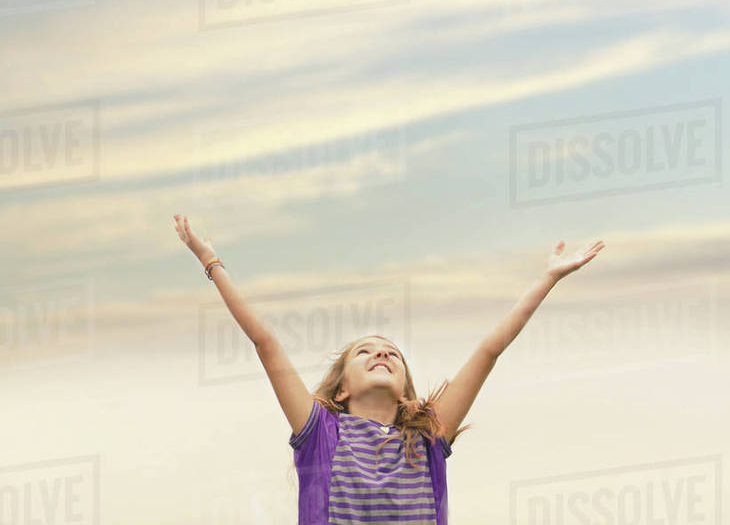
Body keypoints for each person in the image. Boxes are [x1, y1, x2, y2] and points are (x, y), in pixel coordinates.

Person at [174, 213, 604, 523]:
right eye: (365, 352)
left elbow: (490, 350)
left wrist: (548, 279)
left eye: (392, 353)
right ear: (341, 390)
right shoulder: (321, 433)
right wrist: (211, 262)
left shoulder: (428, 439)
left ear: (404, 392)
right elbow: (265, 342)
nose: (381, 354)